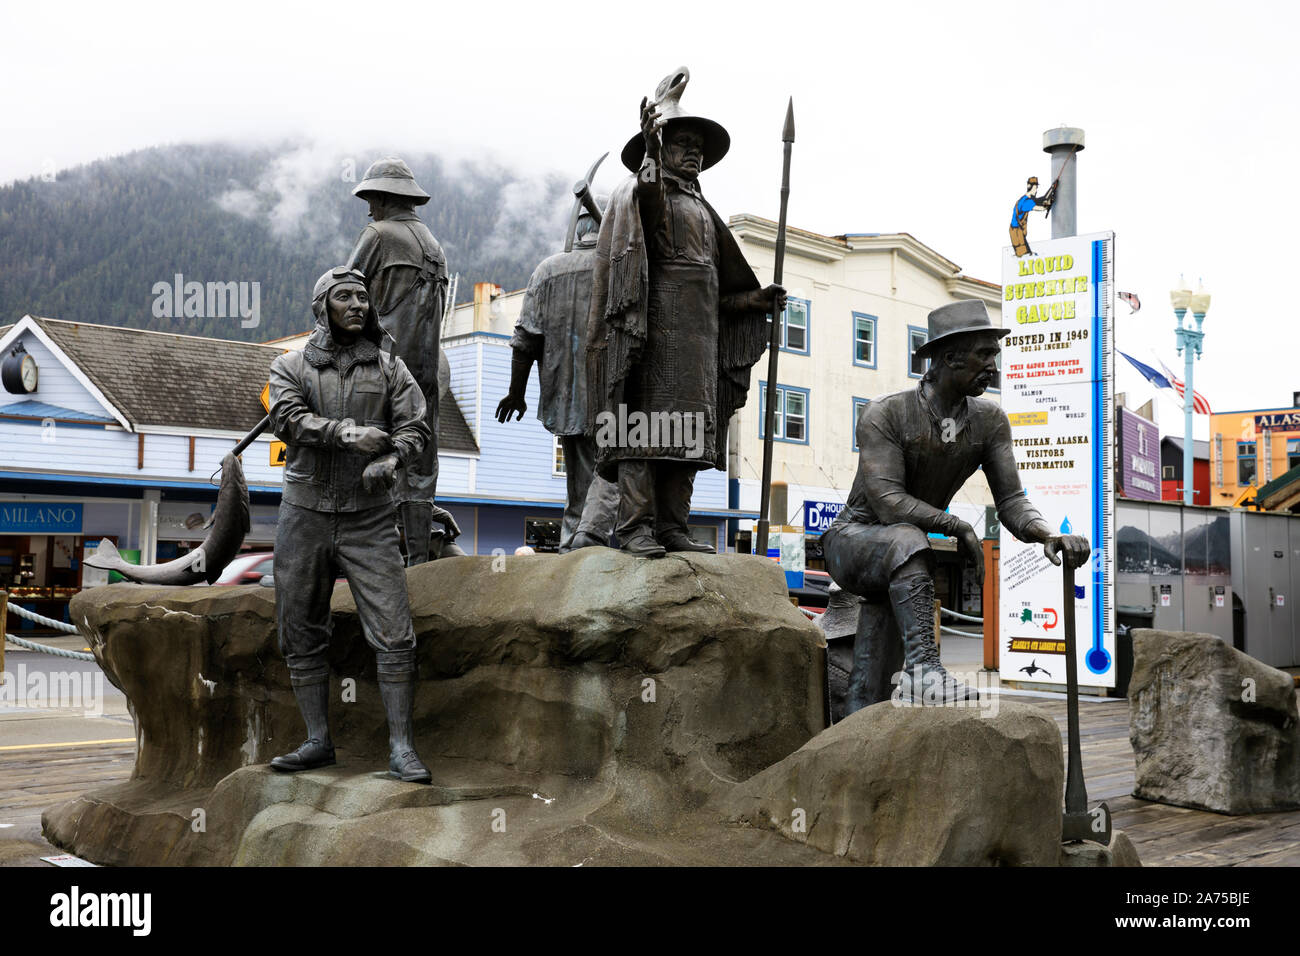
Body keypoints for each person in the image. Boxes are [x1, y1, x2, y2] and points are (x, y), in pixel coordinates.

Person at [820, 299, 1090, 708]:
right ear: (948, 357)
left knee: (905, 551)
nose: (993, 367)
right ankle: (924, 673)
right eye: (984, 355)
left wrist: (1047, 535)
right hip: (851, 543)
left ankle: (864, 709)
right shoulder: (885, 414)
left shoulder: (990, 421)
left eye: (994, 356)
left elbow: (1013, 501)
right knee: (908, 539)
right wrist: (957, 526)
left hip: (901, 548)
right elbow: (889, 503)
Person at [587, 67, 785, 557]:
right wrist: (651, 152)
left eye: (697, 144)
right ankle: (634, 527)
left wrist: (753, 302)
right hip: (650, 334)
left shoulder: (704, 210)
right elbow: (648, 199)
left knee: (687, 437)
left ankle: (674, 526)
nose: (693, 150)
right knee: (640, 431)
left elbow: (715, 291)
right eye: (682, 142)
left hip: (698, 342)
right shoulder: (642, 194)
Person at [267, 266, 434, 783]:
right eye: (345, 297)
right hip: (305, 515)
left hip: (370, 519)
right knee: (300, 630)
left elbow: (417, 427)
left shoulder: (390, 368)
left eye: (363, 297)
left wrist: (394, 458)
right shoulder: (290, 366)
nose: (357, 305)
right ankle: (317, 740)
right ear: (322, 307)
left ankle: (402, 749)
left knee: (394, 633)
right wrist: (345, 435)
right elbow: (287, 419)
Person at [496, 193, 619, 551]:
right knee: (618, 477)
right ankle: (592, 547)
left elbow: (525, 340)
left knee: (580, 488)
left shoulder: (548, 270)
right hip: (617, 397)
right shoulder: (623, 267)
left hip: (568, 400)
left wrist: (516, 392)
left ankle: (574, 547)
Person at [347, 157, 449, 565]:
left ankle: (371, 559)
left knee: (367, 453)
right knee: (419, 458)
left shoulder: (379, 235)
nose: (370, 208)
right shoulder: (434, 244)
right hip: (427, 371)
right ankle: (418, 562)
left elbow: (344, 295)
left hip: (384, 368)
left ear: (387, 198)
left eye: (373, 198)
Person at [1009, 176, 1054, 257]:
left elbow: (1042, 199)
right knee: (1023, 256)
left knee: (1027, 254)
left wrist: (1052, 189)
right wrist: (1048, 204)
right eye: (1036, 188)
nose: (1036, 191)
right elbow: (1041, 207)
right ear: (1032, 187)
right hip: (1016, 232)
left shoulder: (1025, 199)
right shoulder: (1026, 202)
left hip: (1018, 230)